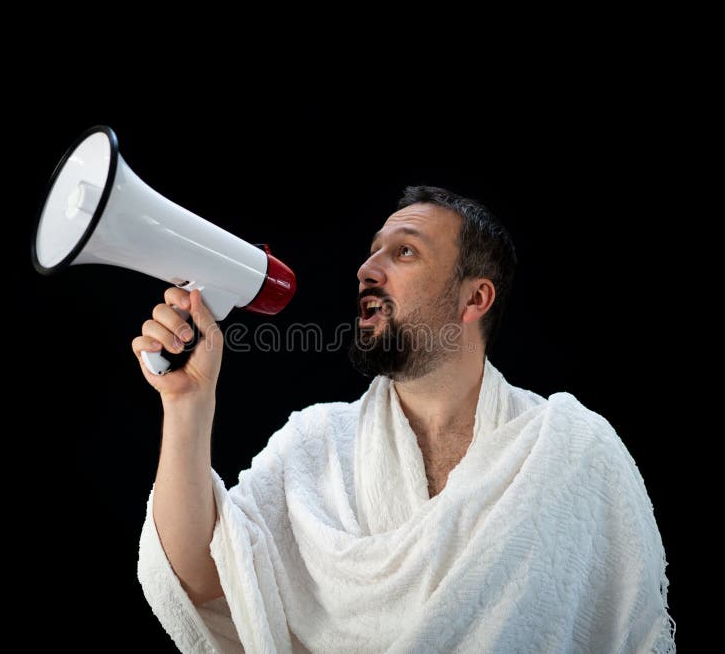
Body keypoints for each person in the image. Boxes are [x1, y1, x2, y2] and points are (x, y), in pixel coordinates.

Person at [134, 187, 676, 653]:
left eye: (405, 252)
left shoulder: (570, 451)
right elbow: (200, 576)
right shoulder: (314, 446)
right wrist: (188, 403)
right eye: (373, 253)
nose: (366, 270)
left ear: (475, 298)